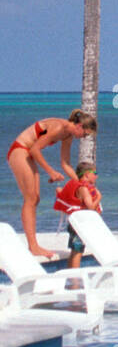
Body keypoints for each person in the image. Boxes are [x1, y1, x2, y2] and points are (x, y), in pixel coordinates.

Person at [6, 109, 97, 258]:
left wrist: (80, 183)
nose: (84, 137)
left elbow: (65, 163)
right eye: (85, 134)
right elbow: (35, 149)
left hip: (27, 153)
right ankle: (33, 246)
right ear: (79, 126)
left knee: (35, 199)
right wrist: (51, 172)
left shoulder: (68, 134)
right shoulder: (60, 127)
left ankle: (33, 245)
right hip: (20, 150)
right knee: (30, 199)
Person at [54, 163, 102, 269]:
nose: (96, 176)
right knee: (78, 252)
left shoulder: (75, 184)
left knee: (74, 251)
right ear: (87, 174)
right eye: (95, 173)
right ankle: (75, 281)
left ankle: (71, 275)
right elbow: (90, 207)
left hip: (73, 222)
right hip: (80, 225)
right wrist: (99, 197)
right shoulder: (83, 189)